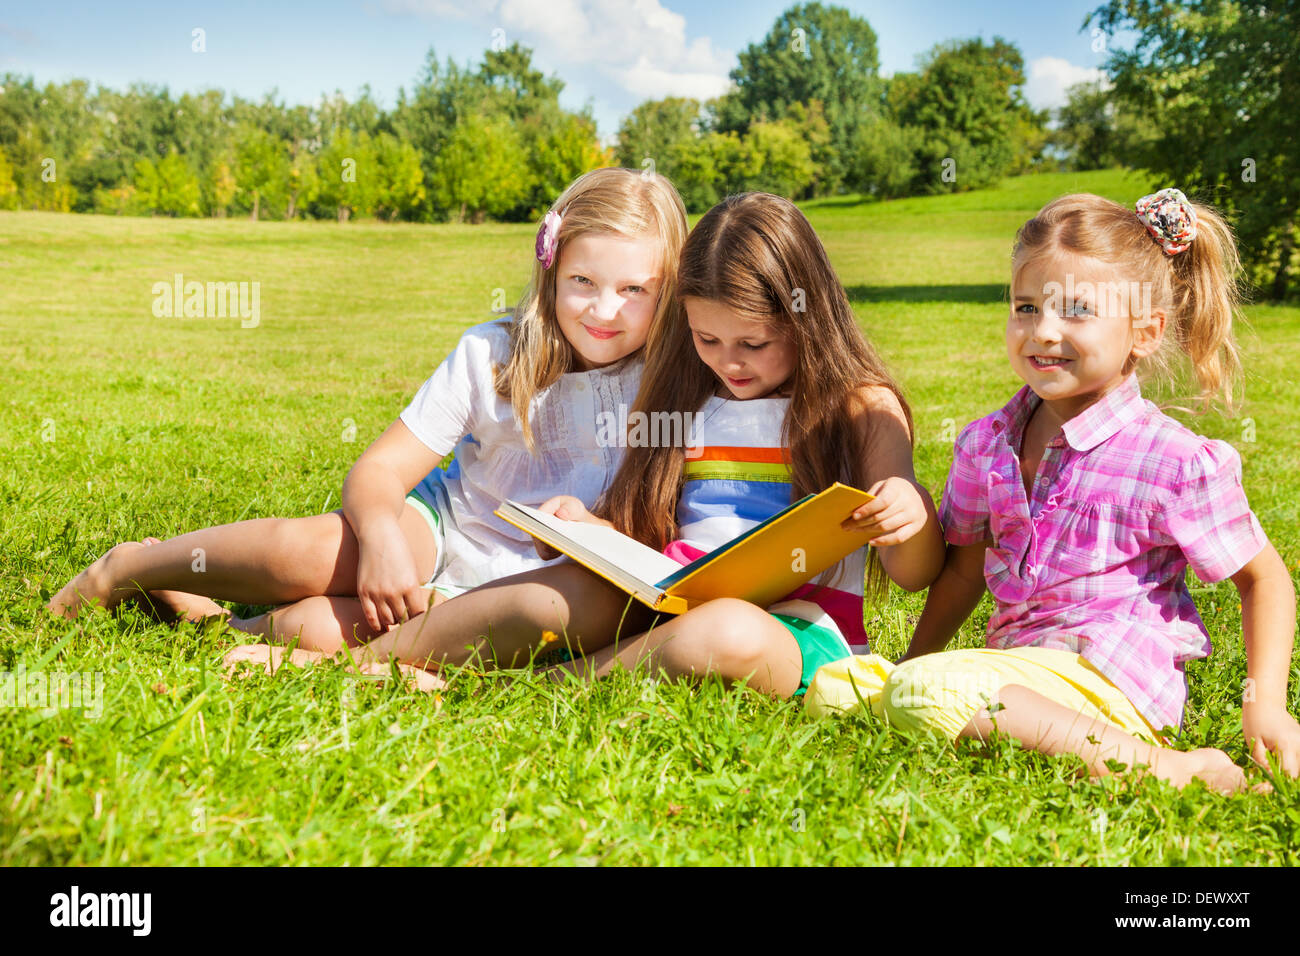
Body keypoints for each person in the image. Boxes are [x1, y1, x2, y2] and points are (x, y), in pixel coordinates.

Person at [228, 192, 946, 699]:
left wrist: (905, 514)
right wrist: (595, 533)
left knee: (727, 633)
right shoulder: (688, 399)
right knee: (568, 595)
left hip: (800, 634)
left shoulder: (858, 405)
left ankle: (520, 687)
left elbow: (915, 572)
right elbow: (661, 534)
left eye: (754, 343)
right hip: (669, 605)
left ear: (807, 316)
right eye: (706, 339)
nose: (730, 360)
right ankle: (333, 648)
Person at [47, 167, 689, 655]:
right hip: (446, 526)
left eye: (635, 290)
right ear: (551, 270)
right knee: (308, 552)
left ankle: (219, 624)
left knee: (316, 629)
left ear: (667, 292)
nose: (605, 310)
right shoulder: (494, 351)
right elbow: (379, 474)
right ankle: (131, 566)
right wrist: (382, 541)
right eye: (584, 282)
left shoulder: (675, 382)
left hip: (534, 582)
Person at [807, 189, 1300, 792]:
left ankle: (1175, 769)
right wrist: (918, 657)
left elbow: (1264, 578)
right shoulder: (985, 444)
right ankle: (952, 700)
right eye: (1024, 307)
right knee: (837, 685)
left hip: (1114, 684)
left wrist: (1266, 704)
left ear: (1144, 332)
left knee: (918, 693)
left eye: (1075, 311)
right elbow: (962, 573)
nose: (1042, 331)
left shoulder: (1171, 459)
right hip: (1020, 673)